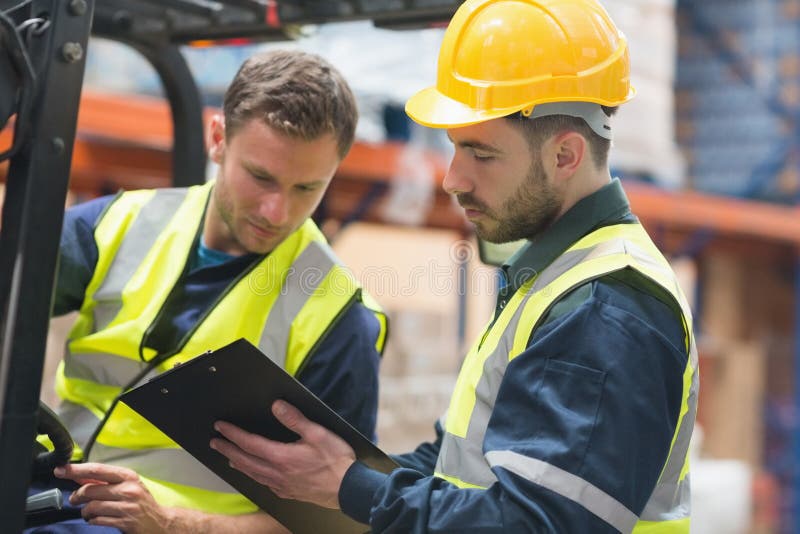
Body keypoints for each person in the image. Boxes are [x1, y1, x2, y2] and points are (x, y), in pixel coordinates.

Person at [209, 0, 699, 532]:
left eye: (480, 153)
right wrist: (341, 477)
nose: (453, 179)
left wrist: (349, 485)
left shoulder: (604, 308)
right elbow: (458, 471)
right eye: (453, 148)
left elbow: (536, 524)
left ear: (565, 156)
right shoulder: (553, 283)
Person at [32, 49, 387, 533]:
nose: (276, 211)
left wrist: (173, 522)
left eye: (307, 188)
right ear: (218, 139)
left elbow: (333, 523)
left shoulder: (338, 316)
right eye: (260, 177)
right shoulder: (119, 224)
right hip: (51, 493)